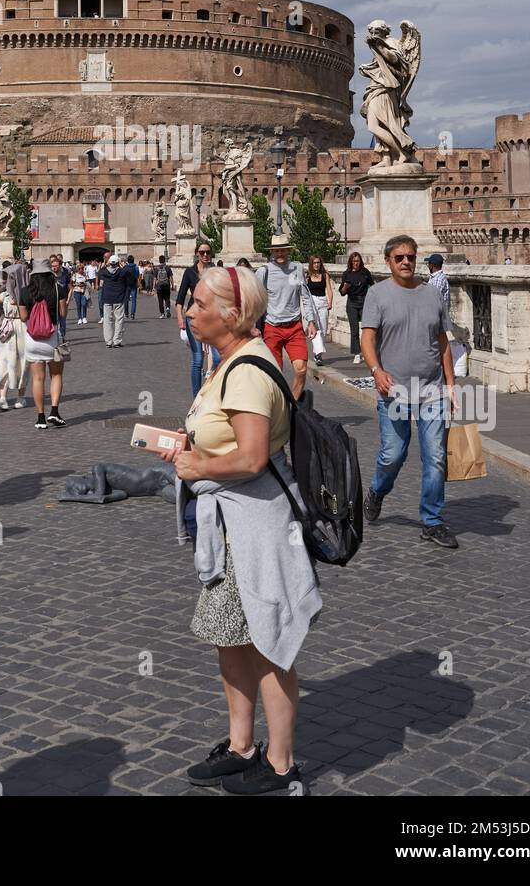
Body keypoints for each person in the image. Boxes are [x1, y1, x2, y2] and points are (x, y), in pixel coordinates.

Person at [161, 265, 321, 796]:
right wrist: (187, 447)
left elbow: (252, 456)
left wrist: (196, 468)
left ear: (233, 313)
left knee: (270, 642)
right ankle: (240, 747)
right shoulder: (226, 359)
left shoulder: (249, 369)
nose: (189, 310)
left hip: (257, 526)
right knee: (231, 635)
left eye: (199, 304)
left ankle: (280, 765)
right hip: (230, 528)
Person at [361, 234, 458, 550]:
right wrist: (377, 370)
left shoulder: (432, 295)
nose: (406, 262)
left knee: (436, 458)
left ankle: (432, 521)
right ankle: (377, 490)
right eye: (399, 257)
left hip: (432, 390)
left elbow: (443, 342)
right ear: (388, 261)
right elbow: (367, 339)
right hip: (395, 391)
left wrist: (451, 385)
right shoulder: (378, 294)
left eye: (411, 257)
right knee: (394, 454)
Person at [257, 236, 317, 401]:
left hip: (294, 327)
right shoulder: (264, 271)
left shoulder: (297, 268)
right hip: (272, 326)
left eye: (283, 249)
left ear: (289, 250)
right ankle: (277, 406)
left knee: (301, 369)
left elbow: (305, 296)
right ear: (272, 252)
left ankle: (292, 405)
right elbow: (255, 299)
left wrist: (311, 321)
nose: (280, 253)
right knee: (274, 373)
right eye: (276, 250)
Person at [19, 259, 66, 428]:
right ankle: (54, 411)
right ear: (49, 274)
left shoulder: (25, 292)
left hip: (33, 338)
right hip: (52, 337)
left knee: (38, 378)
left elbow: (23, 317)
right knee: (56, 375)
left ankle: (40, 417)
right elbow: (62, 314)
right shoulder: (57, 289)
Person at [176, 243, 221, 397]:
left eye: (208, 252)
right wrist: (180, 318)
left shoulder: (215, 271)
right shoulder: (190, 272)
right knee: (198, 358)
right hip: (193, 318)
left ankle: (210, 388)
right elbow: (180, 297)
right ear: (197, 254)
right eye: (202, 252)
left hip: (211, 318)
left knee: (218, 357)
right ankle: (196, 397)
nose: (205, 255)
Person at [0, 269, 29, 409]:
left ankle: (21, 397)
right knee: (3, 361)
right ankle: (2, 398)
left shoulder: (26, 294)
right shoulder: (5, 294)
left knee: (21, 363)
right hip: (7, 329)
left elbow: (26, 316)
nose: (7, 280)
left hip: (21, 328)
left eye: (10, 278)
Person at [339, 251, 374, 364]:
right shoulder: (347, 274)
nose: (356, 263)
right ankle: (357, 353)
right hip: (352, 302)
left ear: (360, 262)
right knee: (354, 329)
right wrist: (346, 286)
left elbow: (373, 286)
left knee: (367, 328)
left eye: (358, 261)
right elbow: (342, 292)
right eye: (354, 261)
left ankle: (368, 351)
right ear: (351, 262)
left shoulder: (365, 272)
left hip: (364, 301)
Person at [305, 255, 333, 359]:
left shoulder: (325, 275)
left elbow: (329, 289)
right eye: (314, 263)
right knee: (315, 328)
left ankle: (318, 351)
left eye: (318, 263)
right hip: (312, 302)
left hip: (322, 301)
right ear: (311, 264)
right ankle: (318, 354)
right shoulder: (307, 276)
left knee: (323, 328)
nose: (316, 265)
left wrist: (330, 302)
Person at [99, 254, 128, 347]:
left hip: (107, 298)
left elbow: (99, 273)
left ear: (110, 263)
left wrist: (106, 264)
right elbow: (129, 274)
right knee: (119, 320)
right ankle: (117, 341)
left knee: (107, 321)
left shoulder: (104, 272)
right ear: (118, 263)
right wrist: (122, 265)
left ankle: (108, 341)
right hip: (118, 298)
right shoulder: (122, 271)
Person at [49, 254, 71, 340]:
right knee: (54, 320)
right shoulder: (49, 277)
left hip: (63, 301)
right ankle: (57, 338)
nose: (54, 268)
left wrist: (68, 300)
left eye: (56, 266)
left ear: (60, 266)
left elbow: (70, 289)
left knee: (63, 320)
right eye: (52, 266)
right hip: (52, 302)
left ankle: (62, 335)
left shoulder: (65, 276)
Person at [96, 249, 112, 321]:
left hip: (108, 286)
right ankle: (102, 316)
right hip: (101, 286)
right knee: (100, 302)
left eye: (106, 257)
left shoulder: (112, 266)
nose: (104, 258)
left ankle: (107, 316)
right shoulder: (100, 265)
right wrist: (96, 284)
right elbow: (97, 274)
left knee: (108, 302)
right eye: (104, 257)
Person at [123, 254, 140, 319]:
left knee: (126, 300)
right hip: (133, 285)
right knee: (134, 300)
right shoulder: (136, 267)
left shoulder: (125, 267)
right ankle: (132, 314)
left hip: (126, 285)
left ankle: (126, 313)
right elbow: (137, 276)